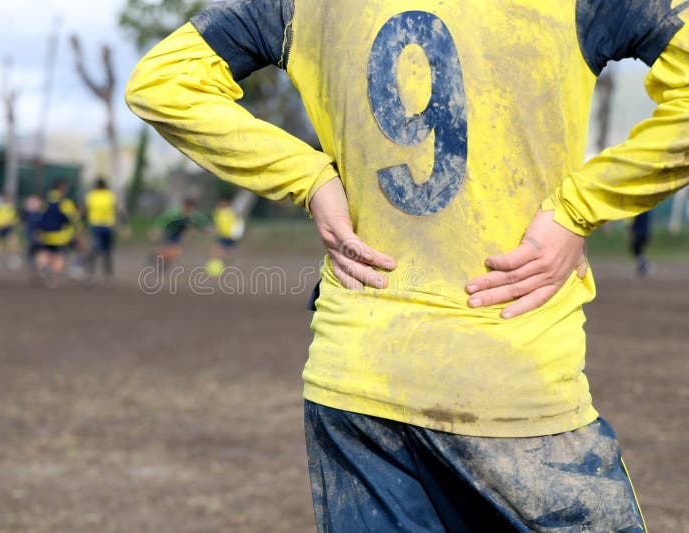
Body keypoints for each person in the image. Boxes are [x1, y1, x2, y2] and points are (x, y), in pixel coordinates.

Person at [126, 1, 689, 530]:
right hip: (513, 387)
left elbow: (161, 83)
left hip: (354, 385)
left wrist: (309, 178)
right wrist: (576, 211)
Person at [37, 180, 81, 288]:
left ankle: (42, 267)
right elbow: (73, 219)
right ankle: (53, 280)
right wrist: (78, 230)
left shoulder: (46, 201)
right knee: (59, 256)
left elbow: (39, 217)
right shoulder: (65, 203)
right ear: (62, 189)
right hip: (60, 236)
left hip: (46, 234)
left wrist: (39, 231)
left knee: (46, 252)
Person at [149, 198, 210, 272]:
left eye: (191, 207)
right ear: (184, 206)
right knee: (170, 252)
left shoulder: (194, 216)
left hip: (178, 235)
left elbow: (203, 224)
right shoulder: (175, 214)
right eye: (188, 206)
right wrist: (156, 230)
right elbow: (162, 220)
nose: (189, 209)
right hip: (168, 232)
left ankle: (160, 259)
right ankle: (156, 256)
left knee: (175, 253)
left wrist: (206, 231)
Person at [84, 178, 117, 285]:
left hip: (95, 226)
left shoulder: (91, 195)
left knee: (94, 251)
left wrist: (83, 226)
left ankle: (90, 276)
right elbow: (116, 209)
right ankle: (109, 277)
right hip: (108, 226)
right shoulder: (110, 195)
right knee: (107, 252)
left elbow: (86, 211)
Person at [206, 197, 244, 277]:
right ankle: (216, 267)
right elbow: (216, 222)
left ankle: (228, 266)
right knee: (217, 251)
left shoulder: (232, 212)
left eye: (224, 203)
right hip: (221, 235)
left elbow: (239, 222)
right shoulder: (218, 212)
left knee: (229, 253)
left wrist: (237, 233)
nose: (222, 204)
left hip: (231, 236)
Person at [630, 211, 654, 277]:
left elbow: (635, 223)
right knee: (638, 251)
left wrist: (632, 230)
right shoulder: (646, 210)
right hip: (644, 233)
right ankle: (643, 266)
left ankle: (646, 266)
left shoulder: (640, 211)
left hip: (640, 233)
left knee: (637, 249)